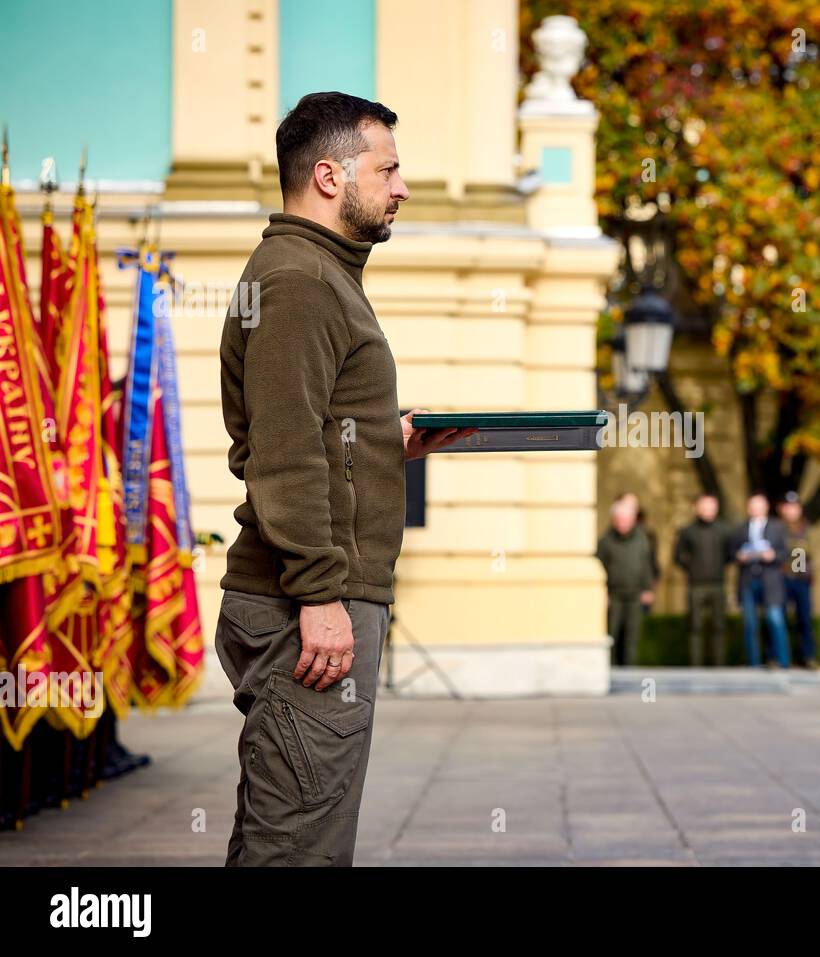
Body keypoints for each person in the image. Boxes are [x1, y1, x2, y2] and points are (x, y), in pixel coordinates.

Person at [215, 92, 470, 866]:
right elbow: (284, 453)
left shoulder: (316, 272)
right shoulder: (299, 280)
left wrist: (385, 442)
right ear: (329, 176)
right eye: (387, 168)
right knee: (297, 846)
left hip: (317, 598)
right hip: (309, 608)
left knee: (293, 834)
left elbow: (309, 432)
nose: (401, 186)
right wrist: (319, 594)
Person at [727, 493, 790, 669]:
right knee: (750, 623)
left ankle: (782, 661)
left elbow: (789, 553)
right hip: (748, 578)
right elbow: (731, 552)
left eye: (759, 505)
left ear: (766, 507)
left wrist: (773, 556)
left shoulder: (778, 527)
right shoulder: (740, 528)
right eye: (752, 505)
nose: (755, 509)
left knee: (775, 619)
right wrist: (739, 556)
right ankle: (753, 662)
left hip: (771, 580)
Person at [672, 493, 730, 666]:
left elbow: (729, 554)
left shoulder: (724, 530)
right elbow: (678, 556)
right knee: (694, 627)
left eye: (711, 507)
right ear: (696, 508)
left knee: (719, 627)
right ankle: (695, 665)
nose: (708, 511)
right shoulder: (688, 531)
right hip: (695, 585)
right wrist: (692, 569)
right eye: (704, 506)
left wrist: (719, 566)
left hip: (718, 584)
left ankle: (719, 665)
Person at [596, 499, 656, 665]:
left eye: (627, 519)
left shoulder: (642, 540)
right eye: (620, 519)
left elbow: (646, 566)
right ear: (614, 520)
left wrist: (648, 589)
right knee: (612, 634)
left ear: (633, 520)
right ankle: (610, 667)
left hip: (635, 594)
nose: (623, 523)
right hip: (614, 595)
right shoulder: (605, 541)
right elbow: (599, 568)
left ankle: (630, 669)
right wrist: (603, 593)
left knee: (632, 634)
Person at [778, 491, 818, 669]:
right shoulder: (776, 528)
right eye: (787, 506)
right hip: (782, 579)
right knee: (780, 620)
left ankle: (808, 656)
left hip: (801, 579)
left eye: (794, 506)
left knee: (805, 620)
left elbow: (809, 555)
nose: (791, 510)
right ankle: (779, 657)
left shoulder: (806, 528)